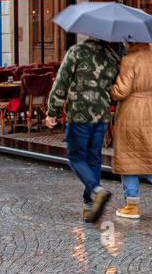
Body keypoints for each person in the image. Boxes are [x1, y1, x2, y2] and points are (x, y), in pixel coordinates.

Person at [45, 36, 121, 223]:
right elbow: (114, 86)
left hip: (79, 114)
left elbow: (61, 82)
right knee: (93, 157)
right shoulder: (112, 57)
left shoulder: (76, 52)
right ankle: (89, 204)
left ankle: (96, 191)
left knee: (76, 157)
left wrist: (52, 111)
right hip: (101, 114)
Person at [109, 41, 152, 220]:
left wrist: (110, 90)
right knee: (147, 153)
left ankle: (132, 206)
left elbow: (122, 90)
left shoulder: (129, 59)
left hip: (132, 109)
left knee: (128, 156)